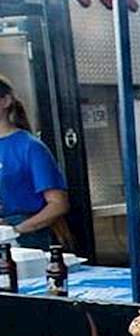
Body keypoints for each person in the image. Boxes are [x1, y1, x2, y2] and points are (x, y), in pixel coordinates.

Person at [0, 75, 69, 250]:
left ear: (5, 101)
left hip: (25, 241)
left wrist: (16, 230)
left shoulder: (30, 147)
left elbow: (58, 204)